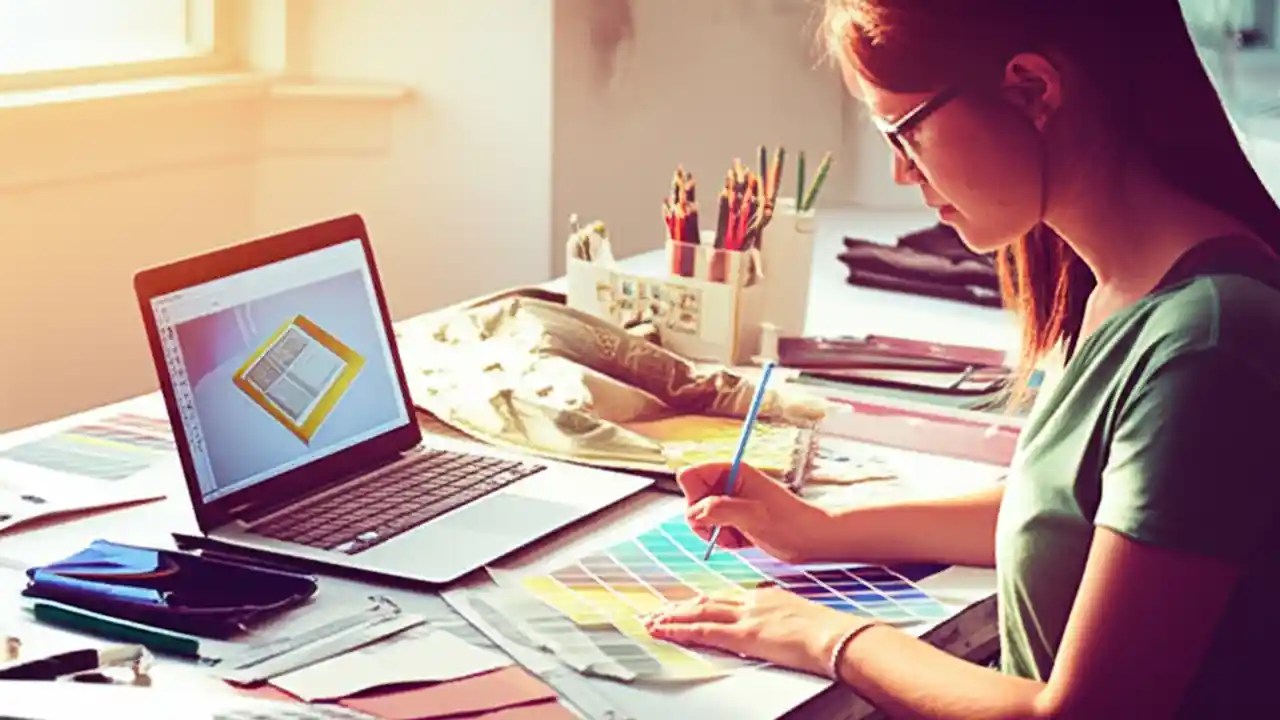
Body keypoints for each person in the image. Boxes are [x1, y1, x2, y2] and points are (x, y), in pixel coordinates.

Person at [643, 1, 1280, 717]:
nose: (899, 174)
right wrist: (818, 528)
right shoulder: (1121, 290)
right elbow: (1065, 510)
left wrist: (831, 638)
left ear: (1032, 89)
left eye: (904, 133)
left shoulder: (1208, 343)